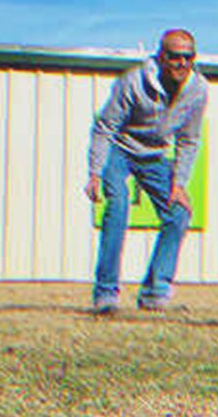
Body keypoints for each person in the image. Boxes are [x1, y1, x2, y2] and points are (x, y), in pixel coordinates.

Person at [85, 29, 209, 314]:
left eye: (187, 57)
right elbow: (105, 127)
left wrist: (179, 184)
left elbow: (189, 140)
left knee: (178, 212)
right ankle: (106, 294)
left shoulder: (198, 90)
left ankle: (155, 293)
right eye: (174, 56)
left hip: (154, 155)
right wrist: (94, 172)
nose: (180, 63)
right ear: (161, 56)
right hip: (121, 149)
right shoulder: (134, 82)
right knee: (117, 206)